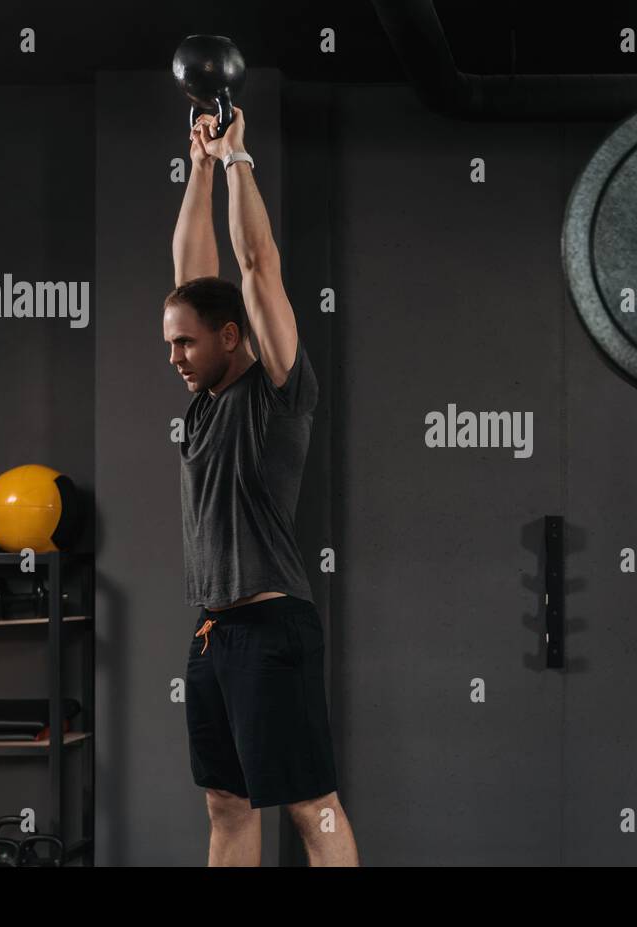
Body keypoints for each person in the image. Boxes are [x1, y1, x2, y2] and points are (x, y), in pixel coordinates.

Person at [166, 107, 358, 867]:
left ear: (232, 336)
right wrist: (200, 167)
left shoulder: (278, 389)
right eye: (169, 341)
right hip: (215, 634)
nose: (175, 356)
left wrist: (238, 159)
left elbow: (255, 270)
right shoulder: (205, 398)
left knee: (315, 810)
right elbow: (193, 274)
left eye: (186, 342)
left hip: (273, 630)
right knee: (226, 803)